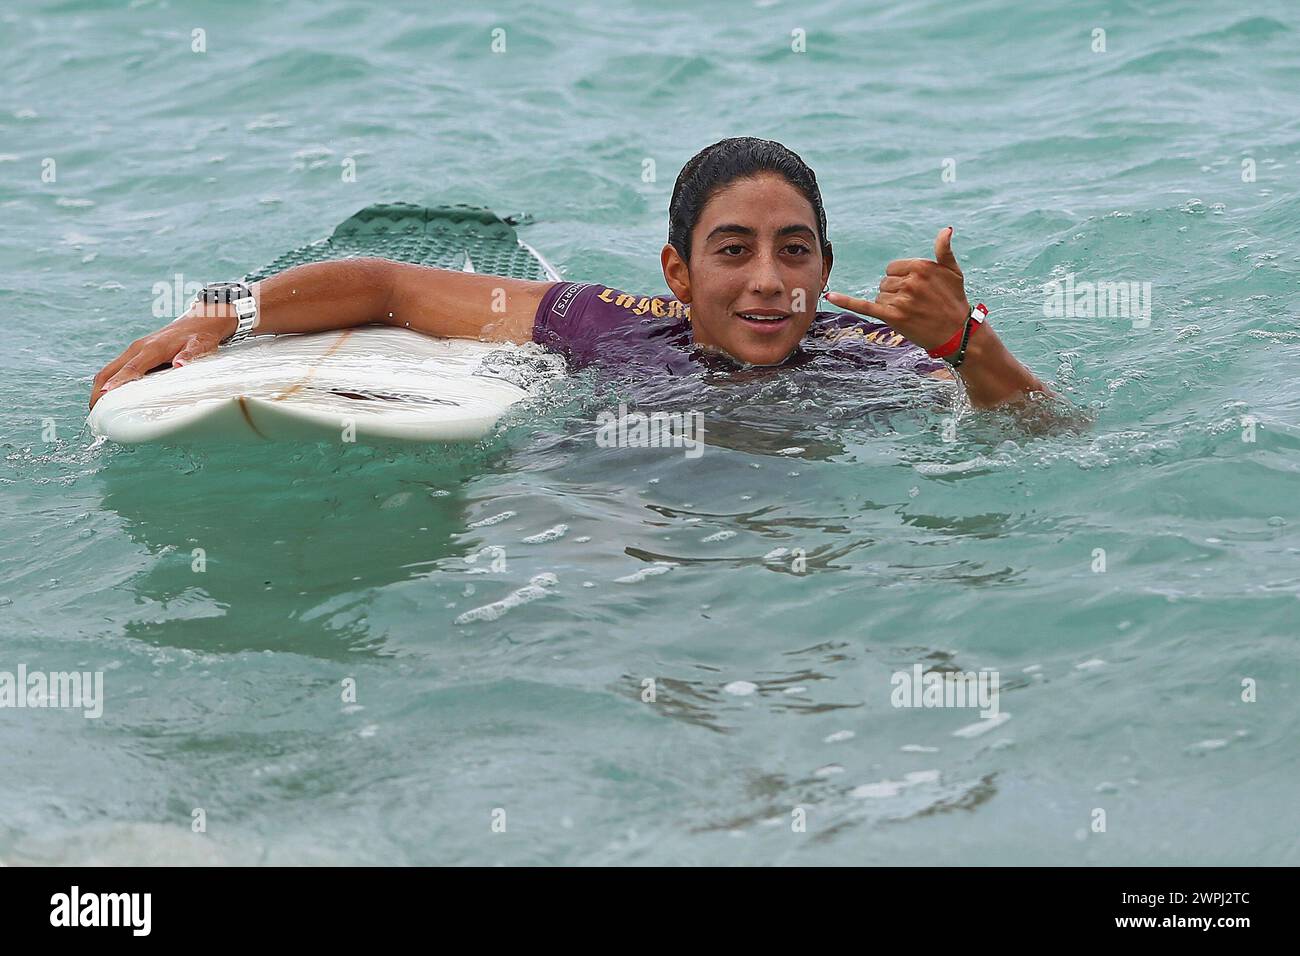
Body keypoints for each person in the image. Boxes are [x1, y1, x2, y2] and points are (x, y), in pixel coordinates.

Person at [90, 137, 1048, 411]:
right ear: (676, 272)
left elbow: (1050, 432)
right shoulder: (611, 323)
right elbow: (387, 285)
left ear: (825, 267)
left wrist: (965, 343)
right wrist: (222, 309)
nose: (767, 280)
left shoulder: (873, 355)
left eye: (794, 252)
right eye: (733, 250)